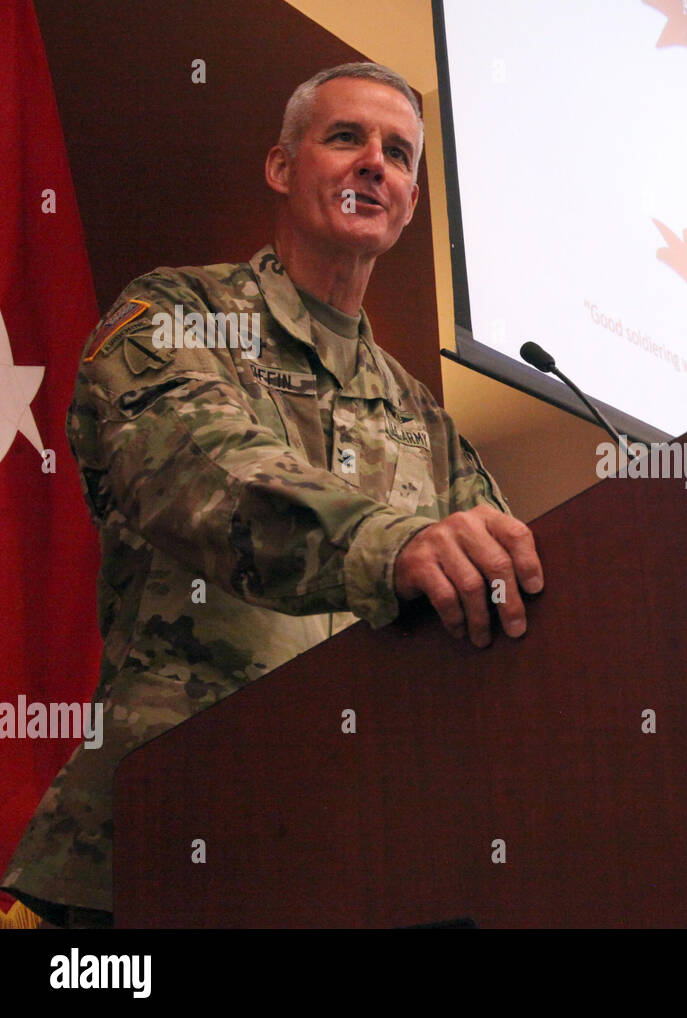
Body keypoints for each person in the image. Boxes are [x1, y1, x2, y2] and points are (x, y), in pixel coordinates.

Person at [1, 62, 542, 928]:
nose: (374, 163)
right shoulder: (177, 314)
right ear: (282, 168)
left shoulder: (427, 422)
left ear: (407, 203)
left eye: (397, 154)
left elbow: (497, 600)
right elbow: (194, 469)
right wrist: (391, 545)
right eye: (346, 138)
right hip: (160, 842)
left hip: (357, 865)